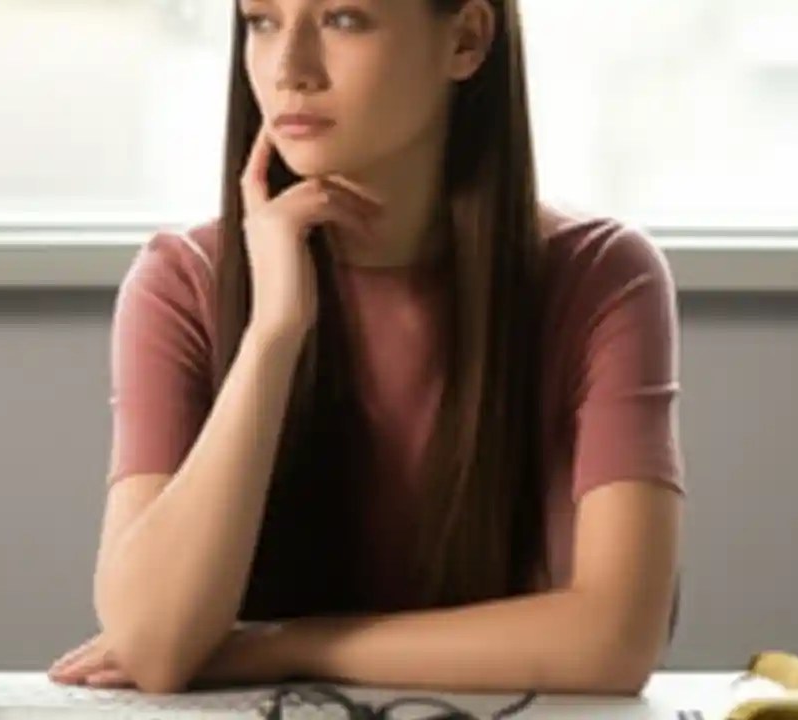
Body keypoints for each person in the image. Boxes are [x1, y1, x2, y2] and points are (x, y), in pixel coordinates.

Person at [48, 0, 684, 697]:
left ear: (467, 40)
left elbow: (616, 640)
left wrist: (288, 644)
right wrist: (273, 335)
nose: (289, 70)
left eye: (343, 19)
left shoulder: (602, 278)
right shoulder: (183, 281)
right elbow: (152, 646)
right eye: (261, 21)